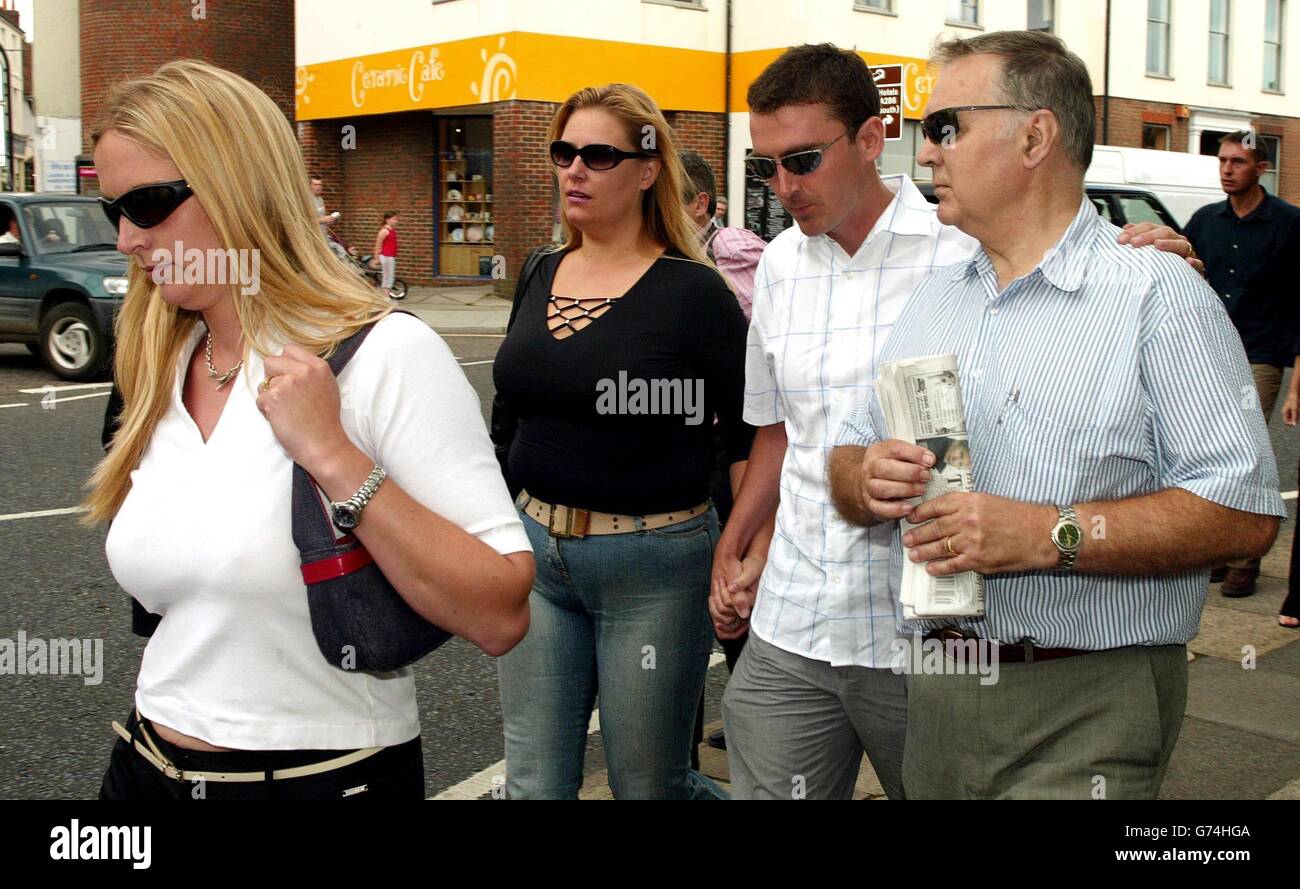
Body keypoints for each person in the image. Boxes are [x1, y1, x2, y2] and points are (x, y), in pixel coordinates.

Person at [709, 42, 1200, 801]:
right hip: (794, 619)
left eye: (802, 160)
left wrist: (1155, 259)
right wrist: (739, 539)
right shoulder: (778, 264)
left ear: (870, 140)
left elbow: (1072, 259)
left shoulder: (966, 238)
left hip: (931, 640)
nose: (783, 185)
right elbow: (781, 430)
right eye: (765, 167)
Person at [829, 30, 1283, 799]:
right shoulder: (938, 295)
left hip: (1086, 701)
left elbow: (1241, 516)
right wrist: (863, 477)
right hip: (938, 692)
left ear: (1035, 134)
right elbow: (846, 454)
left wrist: (1046, 534)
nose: (927, 153)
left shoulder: (1156, 294)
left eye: (947, 127)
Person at [87, 59, 533, 800]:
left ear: (240, 186)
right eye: (114, 210)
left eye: (151, 202)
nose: (129, 237)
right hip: (143, 766)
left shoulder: (385, 354)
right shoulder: (157, 362)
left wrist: (333, 455)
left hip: (317, 780)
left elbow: (499, 611)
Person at [492, 83, 754, 799]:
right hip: (537, 557)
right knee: (535, 783)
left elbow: (746, 435)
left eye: (598, 154)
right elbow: (509, 415)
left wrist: (743, 550)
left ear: (646, 170)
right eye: (564, 151)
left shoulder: (693, 293)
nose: (573, 168)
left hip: (656, 567)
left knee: (650, 786)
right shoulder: (540, 270)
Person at [1184, 132, 1300, 598]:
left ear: (1261, 168)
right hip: (1209, 351)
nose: (1226, 169)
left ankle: (1245, 558)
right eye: (1222, 161)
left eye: (1238, 161)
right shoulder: (1205, 221)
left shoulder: (1288, 224)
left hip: (1261, 352)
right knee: (1207, 449)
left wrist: (1296, 381)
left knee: (1246, 448)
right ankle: (1216, 548)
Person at [678, 150, 765, 756]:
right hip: (681, 441)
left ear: (702, 204)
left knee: (735, 583)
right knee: (685, 602)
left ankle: (753, 713)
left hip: (732, 443)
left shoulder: (739, 255)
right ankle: (687, 730)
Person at [371, 211, 399, 299]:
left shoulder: (392, 230)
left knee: (390, 277)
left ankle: (387, 297)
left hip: (391, 256)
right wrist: (376, 258)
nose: (396, 221)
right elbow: (378, 245)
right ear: (387, 220)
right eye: (394, 219)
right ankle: (386, 298)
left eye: (396, 219)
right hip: (386, 256)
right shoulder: (384, 231)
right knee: (387, 277)